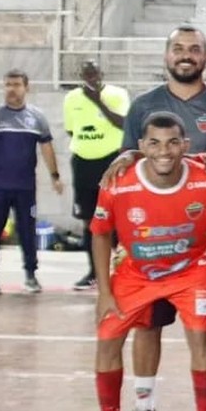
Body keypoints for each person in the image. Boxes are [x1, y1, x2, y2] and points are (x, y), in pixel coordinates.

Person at [71, 112, 206, 411]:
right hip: (136, 274)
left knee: (201, 337)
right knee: (108, 336)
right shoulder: (118, 182)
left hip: (192, 271)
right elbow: (99, 233)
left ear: (185, 145)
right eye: (153, 143)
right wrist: (105, 293)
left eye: (173, 142)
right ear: (140, 147)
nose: (164, 151)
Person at [117, 26, 206, 411]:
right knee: (148, 325)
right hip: (152, 238)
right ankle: (143, 407)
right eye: (178, 48)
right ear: (166, 55)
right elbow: (128, 163)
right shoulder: (143, 106)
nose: (185, 55)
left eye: (194, 49)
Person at [0, 69, 63, 295]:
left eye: (16, 84)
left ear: (26, 87)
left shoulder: (37, 117)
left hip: (25, 188)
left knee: (27, 231)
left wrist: (55, 176)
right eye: (7, 84)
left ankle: (31, 275)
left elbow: (46, 148)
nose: (11, 89)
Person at [63, 61, 130, 291]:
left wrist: (97, 101)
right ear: (81, 75)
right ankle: (94, 273)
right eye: (86, 73)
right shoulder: (71, 98)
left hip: (111, 161)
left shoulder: (117, 94)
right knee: (89, 221)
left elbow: (124, 124)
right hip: (82, 163)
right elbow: (71, 130)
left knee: (119, 218)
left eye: (95, 72)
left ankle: (126, 269)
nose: (91, 77)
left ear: (102, 73)